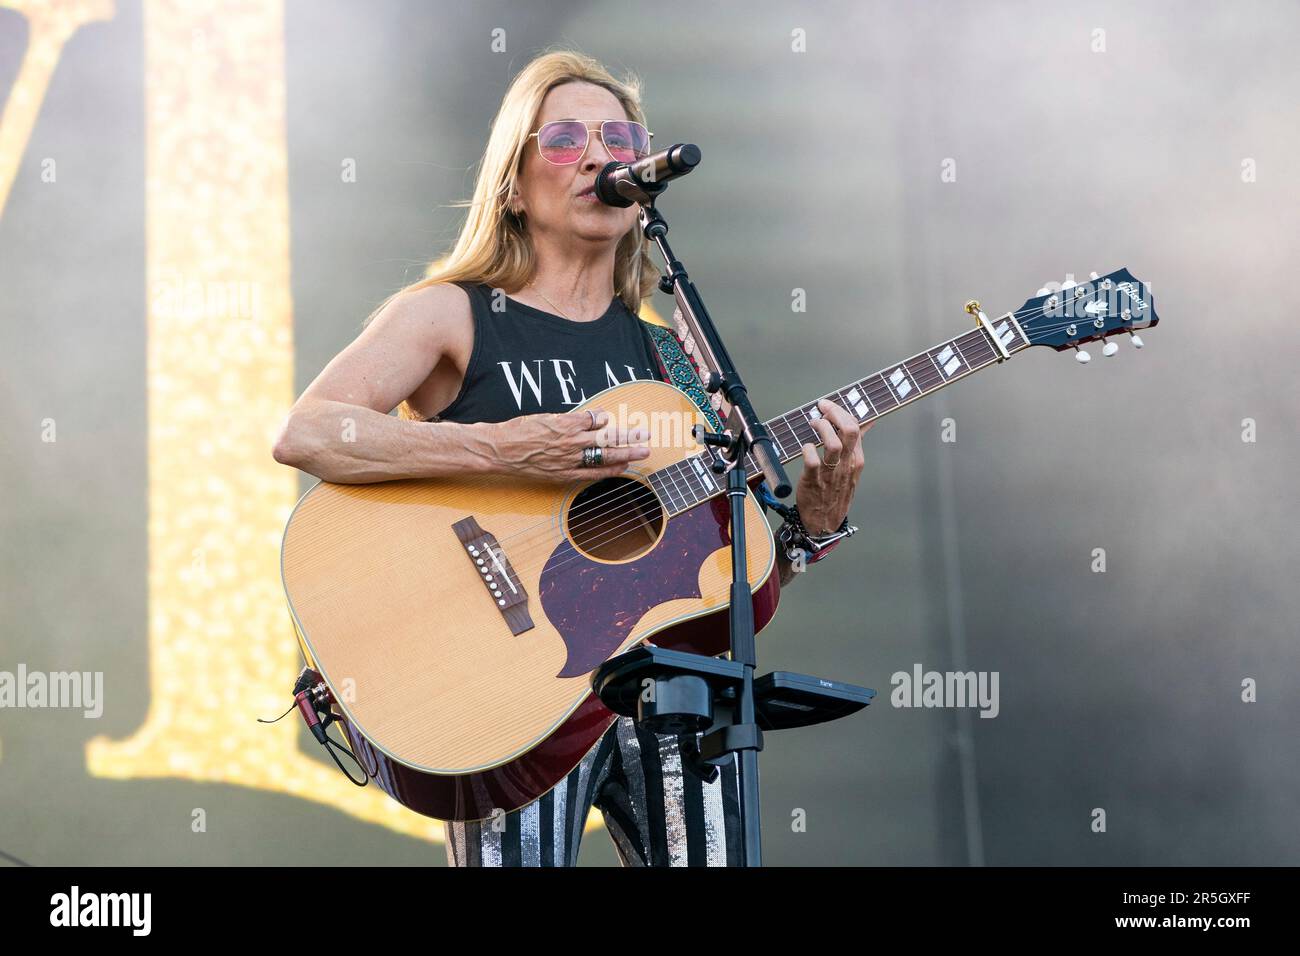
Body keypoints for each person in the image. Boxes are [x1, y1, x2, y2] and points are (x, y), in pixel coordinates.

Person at [272, 50, 869, 866]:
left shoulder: (678, 360)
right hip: (510, 692)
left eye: (620, 137)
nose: (598, 156)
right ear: (512, 184)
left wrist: (814, 520)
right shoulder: (452, 313)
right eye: (563, 140)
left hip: (669, 701)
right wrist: (502, 447)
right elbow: (307, 432)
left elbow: (732, 585)